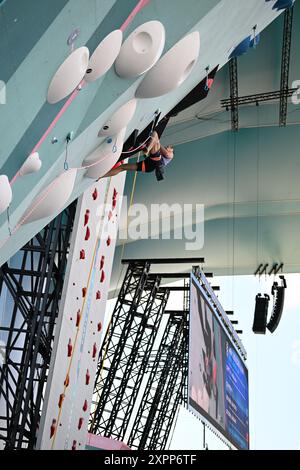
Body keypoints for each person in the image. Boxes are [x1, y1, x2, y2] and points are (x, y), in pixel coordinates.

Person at [100, 131, 174, 181]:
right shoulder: (162, 153)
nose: (167, 147)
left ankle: (147, 149)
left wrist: (157, 142)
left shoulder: (171, 155)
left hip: (156, 162)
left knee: (155, 134)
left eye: (169, 147)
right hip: (149, 167)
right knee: (122, 167)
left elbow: (167, 154)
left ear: (172, 150)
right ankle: (100, 176)